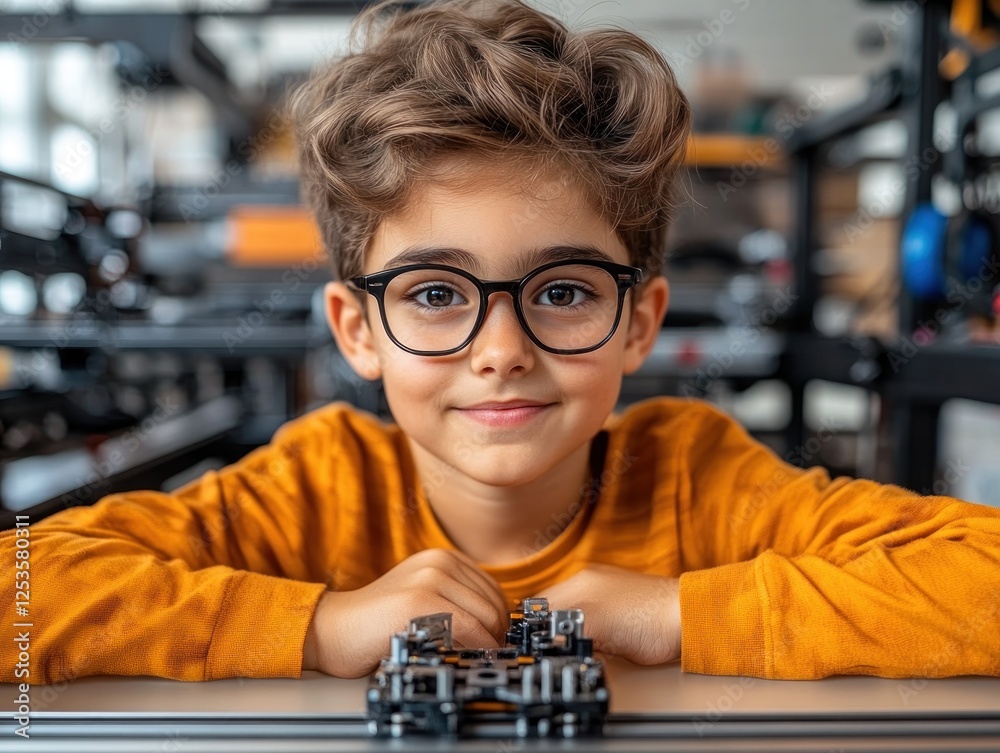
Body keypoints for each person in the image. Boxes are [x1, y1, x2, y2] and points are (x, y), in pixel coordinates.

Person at [3, 0, 999, 686]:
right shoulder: (312, 489)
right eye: (435, 293)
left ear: (639, 321)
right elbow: (17, 593)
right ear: (358, 331)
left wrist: (676, 614)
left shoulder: (699, 481)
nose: (500, 349)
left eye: (561, 290)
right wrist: (313, 626)